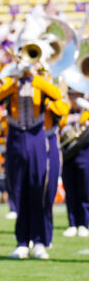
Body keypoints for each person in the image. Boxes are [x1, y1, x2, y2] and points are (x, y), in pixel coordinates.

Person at [0, 53, 65, 259]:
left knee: (37, 189)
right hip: (15, 138)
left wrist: (34, 76)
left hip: (36, 137)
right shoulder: (10, 80)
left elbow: (57, 96)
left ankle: (40, 240)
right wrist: (16, 78)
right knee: (18, 189)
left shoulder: (41, 81)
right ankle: (22, 241)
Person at [60, 92, 89, 237]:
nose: (74, 99)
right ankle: (72, 223)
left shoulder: (87, 112)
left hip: (85, 155)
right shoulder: (65, 111)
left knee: (84, 191)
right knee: (70, 192)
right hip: (68, 156)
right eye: (71, 95)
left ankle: (84, 223)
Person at [42, 93, 69, 246]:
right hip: (30, 141)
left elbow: (62, 113)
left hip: (49, 142)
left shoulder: (54, 95)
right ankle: (29, 236)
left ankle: (45, 236)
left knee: (48, 191)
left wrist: (49, 102)